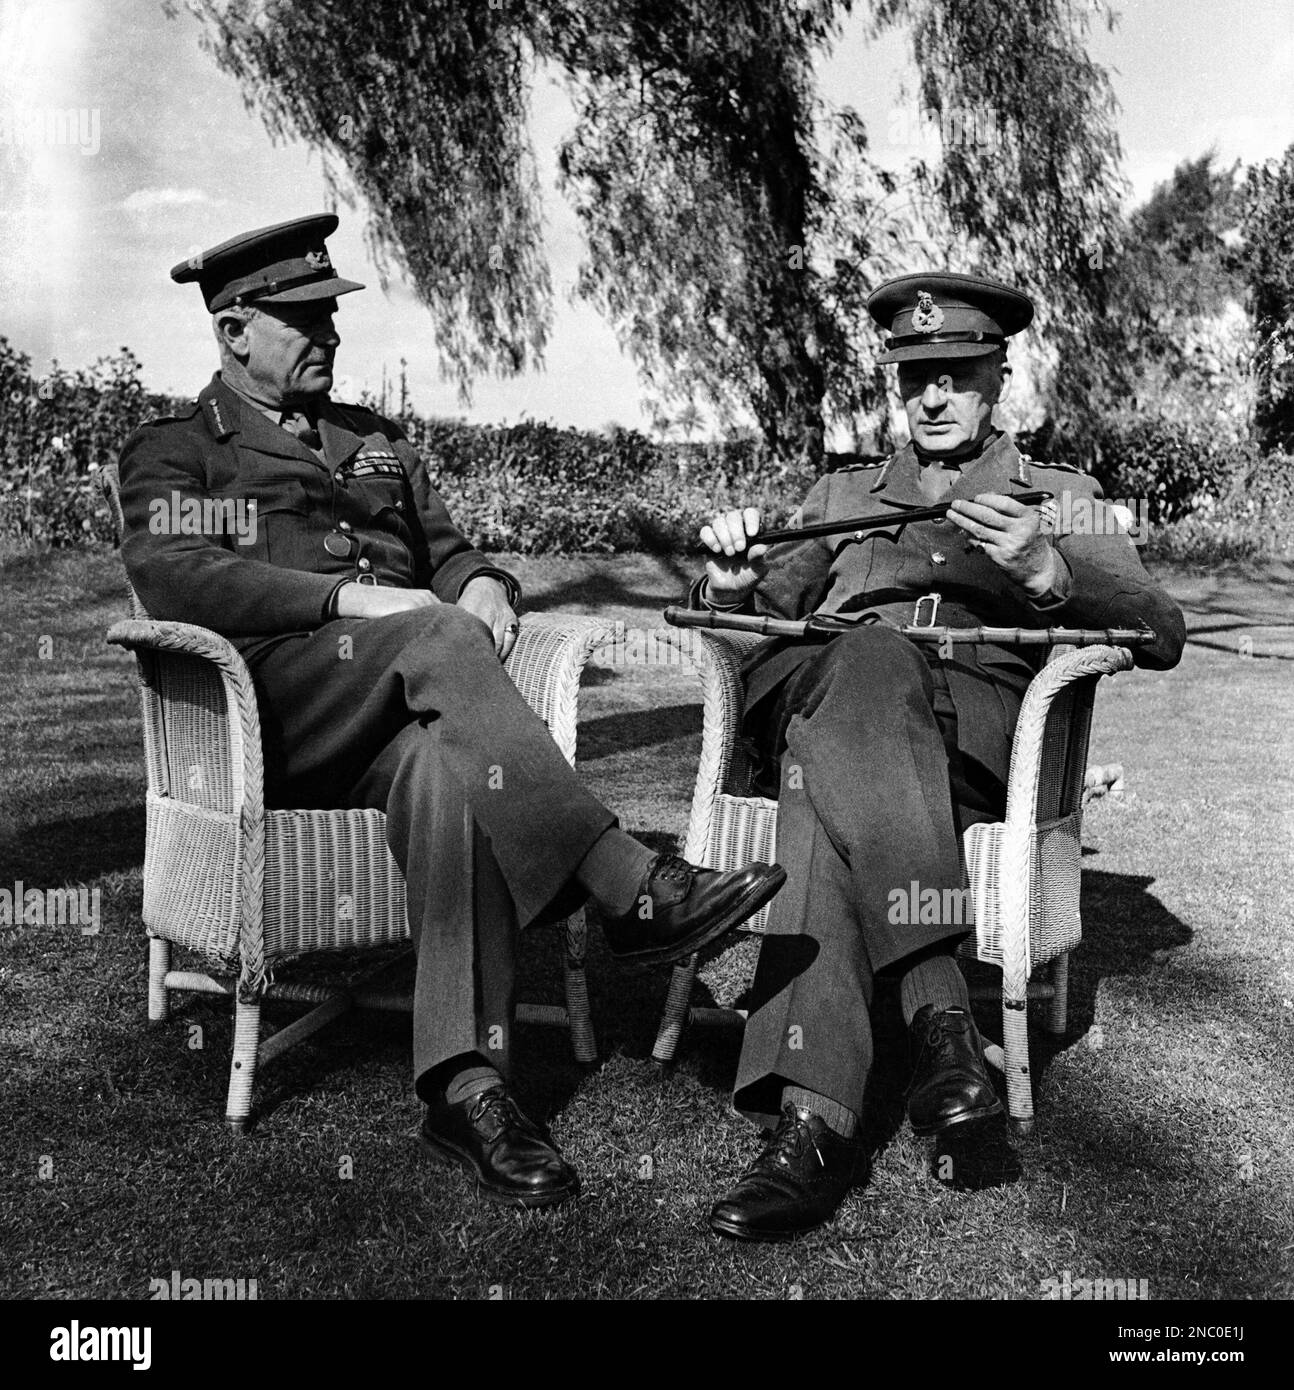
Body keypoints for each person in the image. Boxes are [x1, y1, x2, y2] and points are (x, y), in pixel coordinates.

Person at [117, 214, 785, 1209]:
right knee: (431, 638)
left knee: (455, 773)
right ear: (232, 331)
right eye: (299, 320)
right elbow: (172, 571)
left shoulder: (373, 440)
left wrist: (488, 587)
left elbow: (451, 548)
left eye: (329, 316)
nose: (326, 337)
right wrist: (352, 601)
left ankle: (467, 1090)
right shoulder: (177, 449)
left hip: (404, 714)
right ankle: (626, 886)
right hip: (270, 721)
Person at [694, 271, 1186, 1241]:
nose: (932, 396)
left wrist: (1050, 571)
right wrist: (729, 579)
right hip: (831, 697)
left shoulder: (1064, 499)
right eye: (914, 375)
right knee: (865, 661)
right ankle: (941, 1022)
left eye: (955, 374)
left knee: (816, 784)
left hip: (970, 746)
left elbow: (1158, 626)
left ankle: (810, 1126)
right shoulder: (842, 490)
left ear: (998, 377)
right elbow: (757, 611)